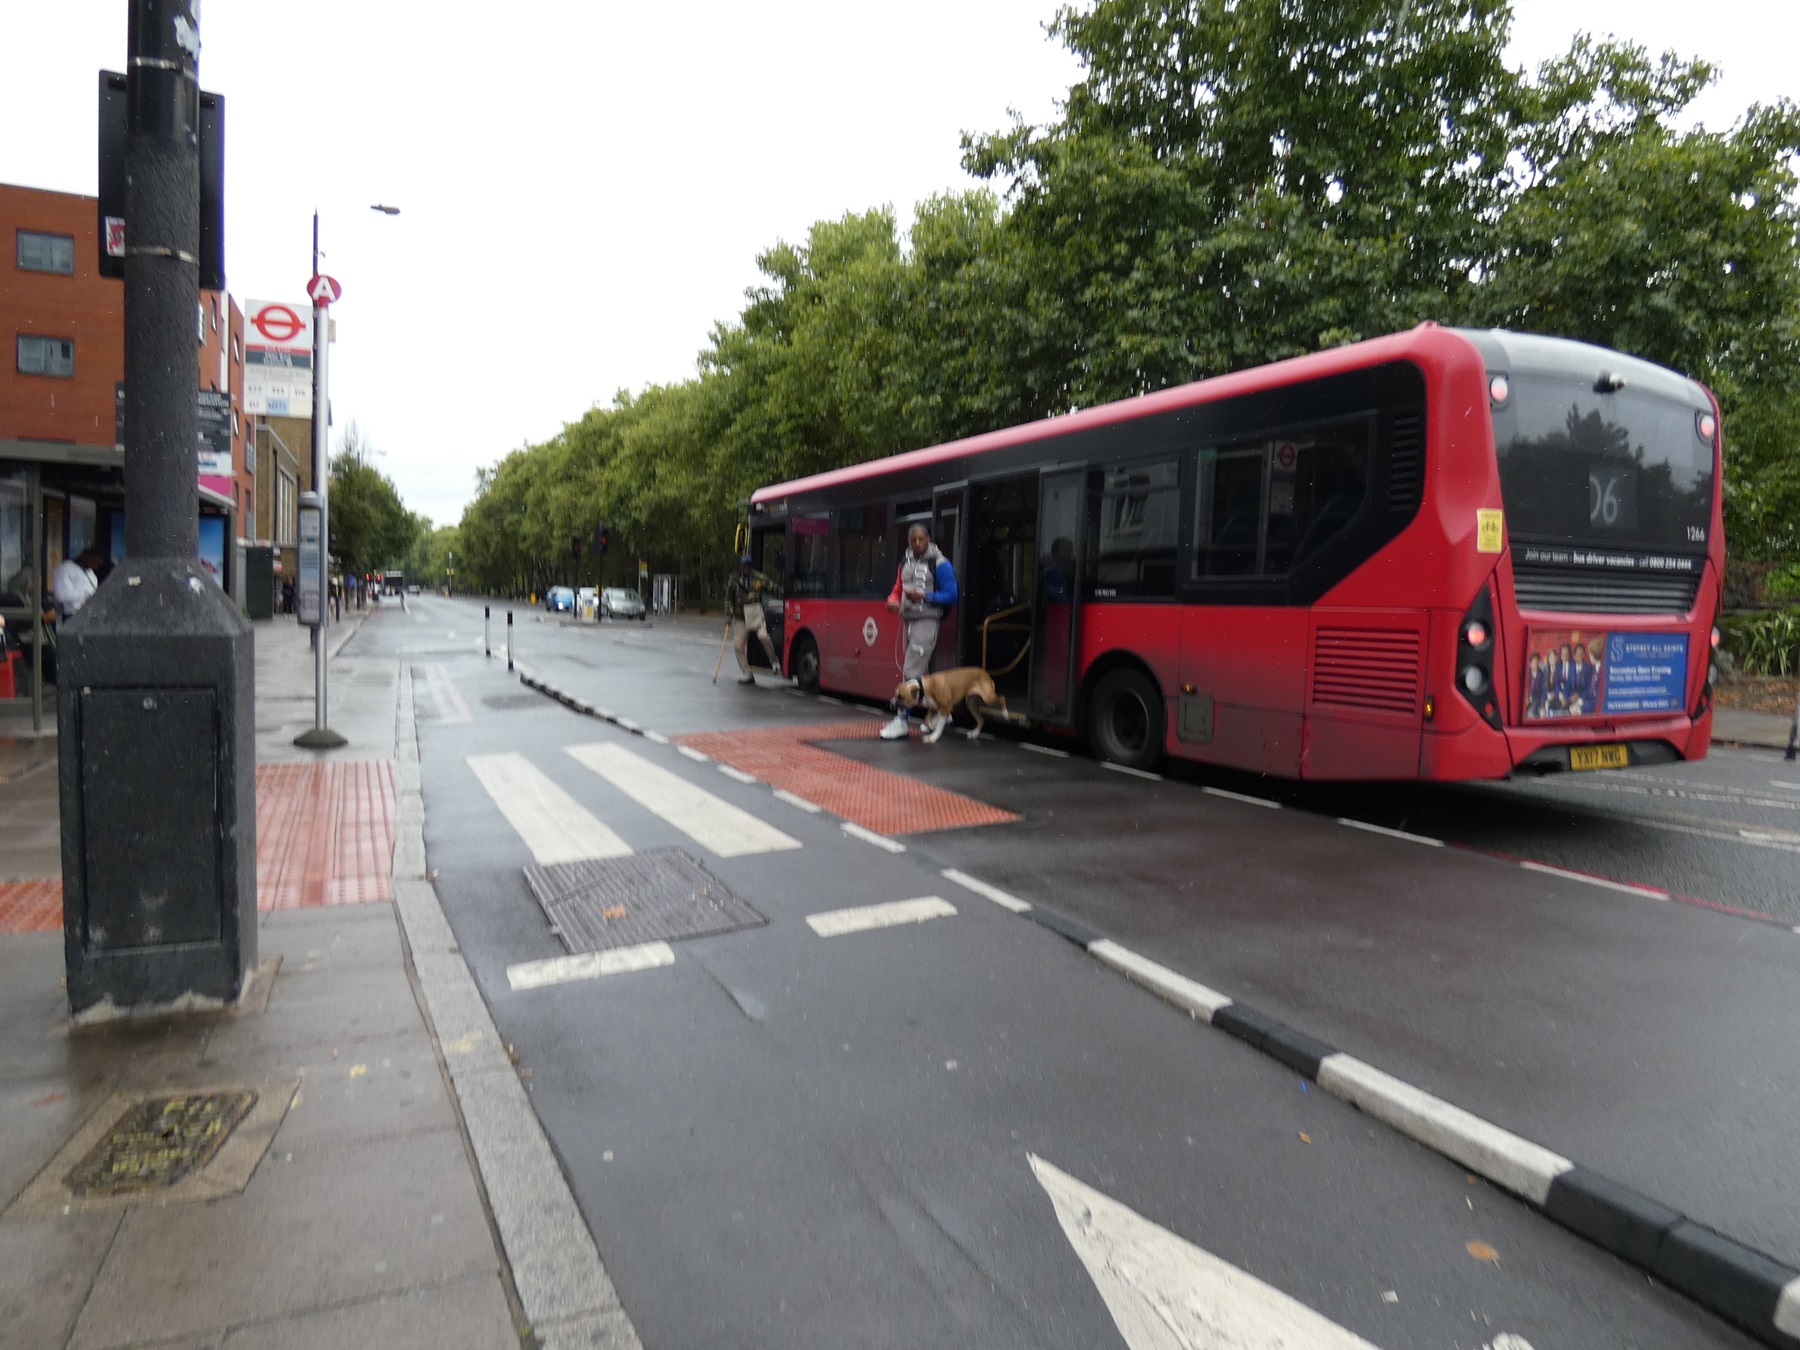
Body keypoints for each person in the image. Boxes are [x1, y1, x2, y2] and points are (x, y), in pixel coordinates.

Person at [880, 523, 958, 740]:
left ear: (928, 538)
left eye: (921, 539)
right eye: (913, 540)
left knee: (910, 673)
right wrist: (892, 601)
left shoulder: (940, 563)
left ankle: (902, 721)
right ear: (908, 540)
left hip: (926, 621)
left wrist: (926, 596)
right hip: (908, 622)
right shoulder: (905, 561)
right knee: (919, 673)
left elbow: (952, 594)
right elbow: (897, 590)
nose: (917, 543)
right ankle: (943, 713)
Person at [727, 553, 780, 685]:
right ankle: (747, 673)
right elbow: (728, 598)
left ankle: (774, 661)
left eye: (748, 565)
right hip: (740, 617)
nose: (747, 568)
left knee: (763, 637)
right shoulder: (734, 579)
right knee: (738, 646)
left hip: (755, 614)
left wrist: (789, 596)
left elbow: (774, 588)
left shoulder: (759, 578)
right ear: (741, 566)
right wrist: (729, 614)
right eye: (744, 565)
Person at [51, 547, 104, 622]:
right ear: (86, 557)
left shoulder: (90, 573)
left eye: (98, 565)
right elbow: (61, 596)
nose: (95, 567)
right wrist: (87, 592)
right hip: (70, 616)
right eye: (95, 563)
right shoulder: (65, 569)